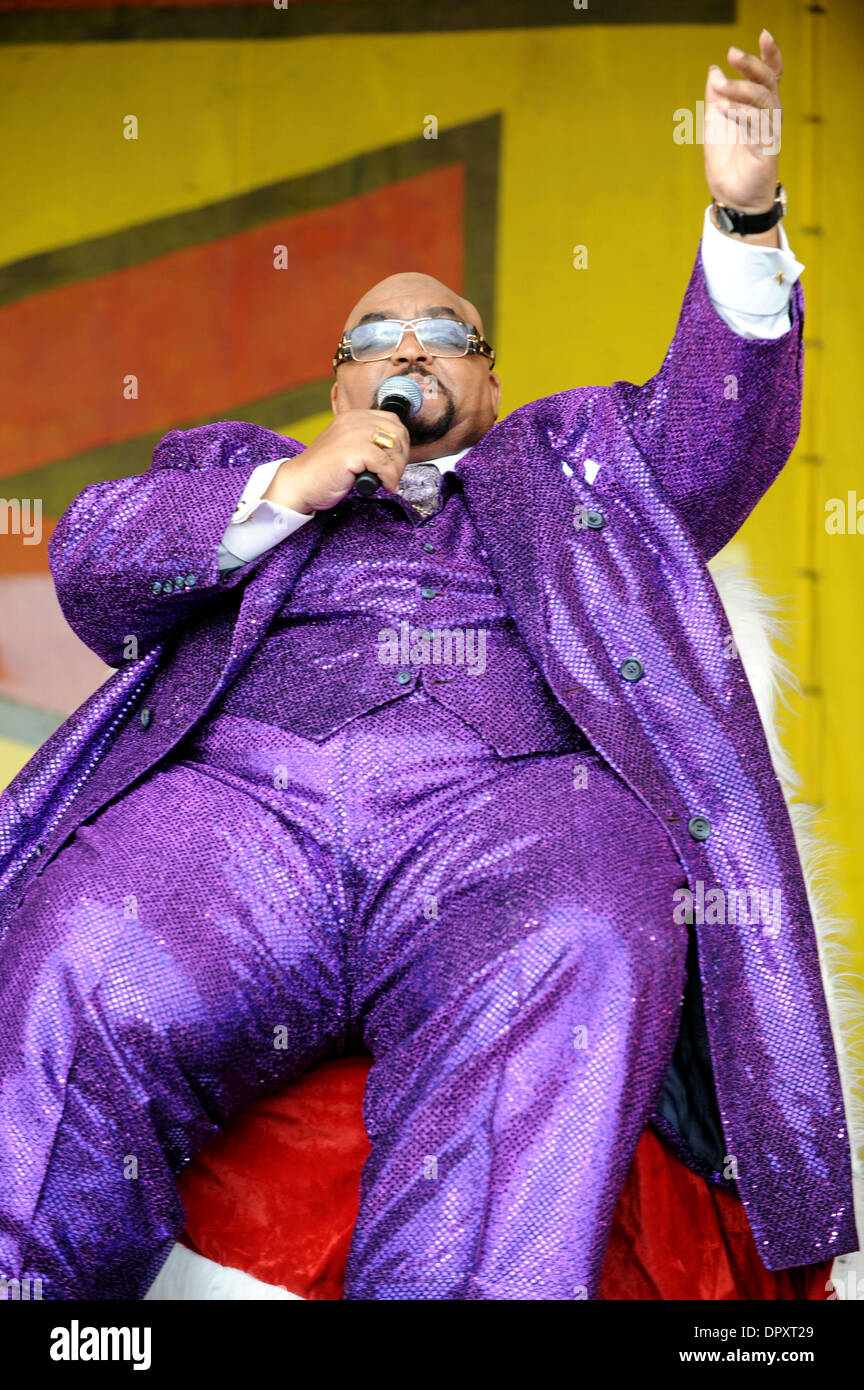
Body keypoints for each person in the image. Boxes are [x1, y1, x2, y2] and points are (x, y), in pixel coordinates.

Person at [0, 30, 858, 1300]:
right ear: (338, 378)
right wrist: (286, 487)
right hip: (244, 814)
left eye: (443, 331)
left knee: (587, 924)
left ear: (490, 376)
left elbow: (715, 434)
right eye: (377, 335)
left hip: (507, 822)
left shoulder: (576, 461)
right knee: (79, 943)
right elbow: (97, 563)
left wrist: (743, 217)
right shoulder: (239, 462)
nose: (410, 347)